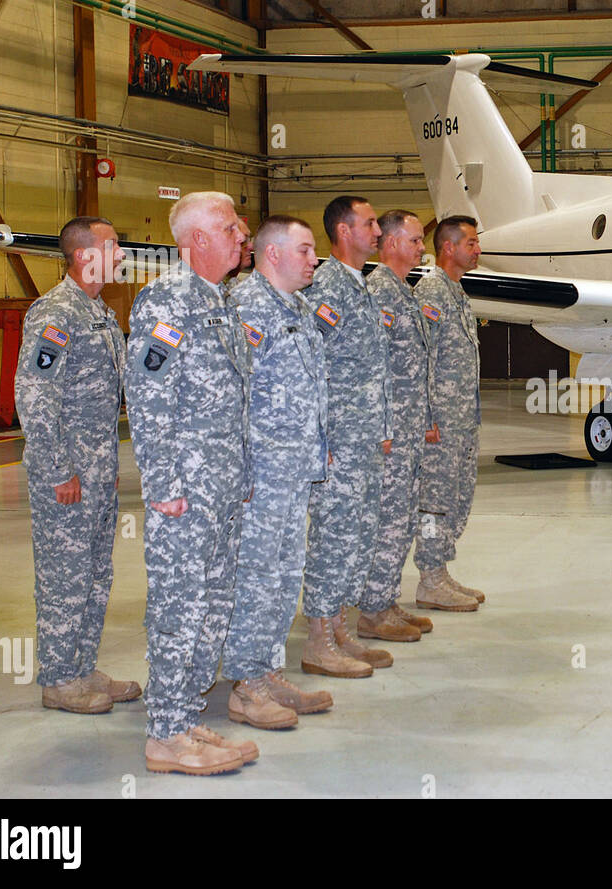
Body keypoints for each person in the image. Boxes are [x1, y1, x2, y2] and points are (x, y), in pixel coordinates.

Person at [126, 191, 256, 775]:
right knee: (181, 606)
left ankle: (184, 714)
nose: (242, 233)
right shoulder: (166, 301)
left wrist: (243, 474)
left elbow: (233, 400)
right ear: (196, 241)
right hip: (187, 492)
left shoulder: (218, 301)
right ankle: (164, 736)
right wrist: (164, 485)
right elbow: (149, 400)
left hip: (222, 488)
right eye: (229, 227)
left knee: (212, 603)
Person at [222, 215, 350, 731]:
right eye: (303, 250)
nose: (313, 259)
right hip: (261, 473)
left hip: (294, 470)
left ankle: (268, 670)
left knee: (282, 575)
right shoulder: (247, 309)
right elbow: (234, 396)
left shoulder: (295, 306)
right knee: (254, 576)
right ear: (271, 255)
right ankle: (245, 686)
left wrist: (320, 448)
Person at [14, 216, 139, 715]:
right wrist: (57, 469)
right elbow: (35, 395)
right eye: (114, 245)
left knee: (94, 573)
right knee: (65, 575)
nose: (122, 254)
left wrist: (103, 467)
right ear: (86, 254)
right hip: (65, 474)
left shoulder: (100, 312)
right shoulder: (56, 312)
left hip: (97, 471)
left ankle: (84, 667)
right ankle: (60, 678)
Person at [360, 209, 473, 645]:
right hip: (409, 424)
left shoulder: (409, 292)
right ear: (390, 242)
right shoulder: (395, 292)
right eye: (413, 240)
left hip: (431, 420)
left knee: (433, 506)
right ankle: (418, 582)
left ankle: (409, 587)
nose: (420, 246)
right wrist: (415, 418)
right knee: (415, 510)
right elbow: (380, 365)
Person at [302, 196, 396, 668]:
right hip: (337, 443)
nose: (378, 231)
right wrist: (320, 440)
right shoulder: (326, 287)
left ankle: (339, 625)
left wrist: (381, 428)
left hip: (363, 441)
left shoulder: (360, 287)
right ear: (343, 232)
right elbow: (309, 367)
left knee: (357, 536)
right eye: (370, 223)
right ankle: (319, 640)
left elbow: (371, 371)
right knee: (333, 537)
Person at [414, 216, 485, 604]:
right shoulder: (431, 293)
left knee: (457, 497)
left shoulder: (458, 293)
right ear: (448, 248)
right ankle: (429, 577)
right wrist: (428, 418)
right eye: (470, 244)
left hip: (462, 421)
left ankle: (441, 569)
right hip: (440, 423)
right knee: (433, 503)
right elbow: (421, 357)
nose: (477, 250)